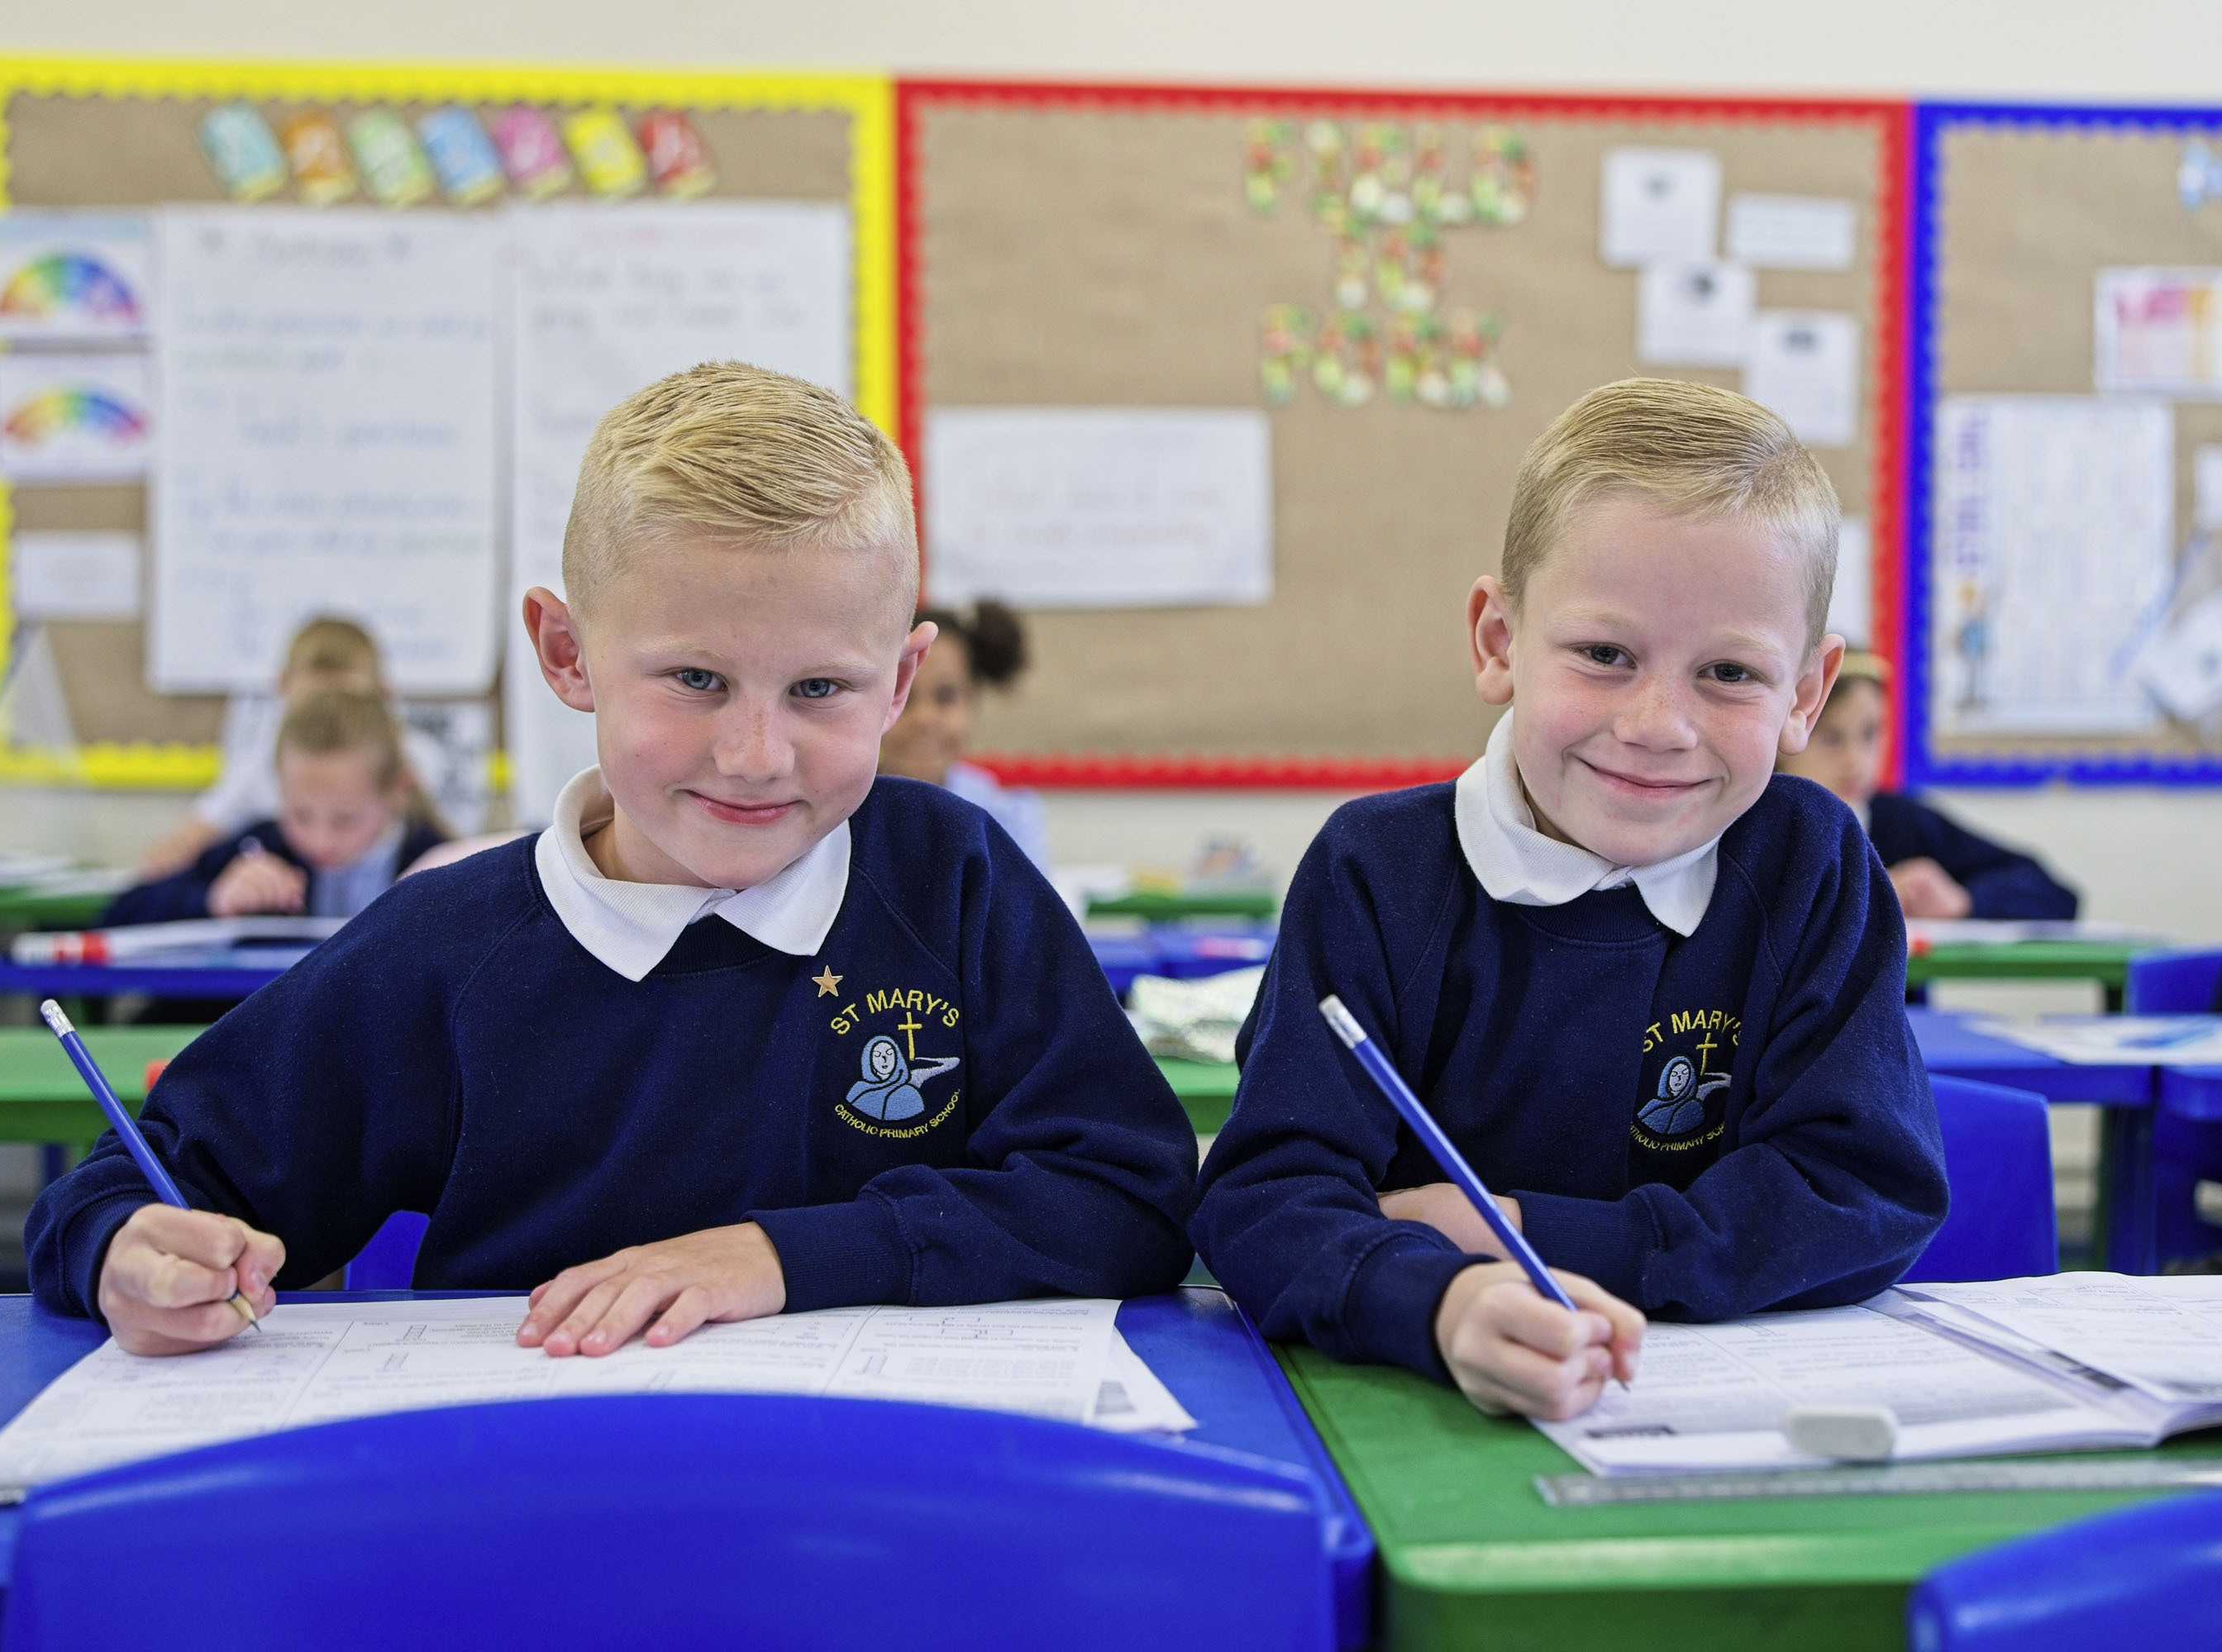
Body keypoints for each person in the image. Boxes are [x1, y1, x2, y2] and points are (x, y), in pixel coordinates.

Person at [27, 362, 1196, 1357]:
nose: (753, 753)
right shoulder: (447, 944)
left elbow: (1130, 1196)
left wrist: (780, 1255)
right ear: (567, 652)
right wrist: (126, 1251)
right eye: (694, 678)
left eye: (821, 688)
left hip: (874, 1507)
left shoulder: (956, 884)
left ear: (900, 681)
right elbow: (141, 1183)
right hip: (534, 1505)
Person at [1191, 379, 1948, 1422]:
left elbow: (1863, 1195)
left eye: (1728, 672)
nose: (1658, 723)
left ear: (1806, 696)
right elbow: (1263, 1203)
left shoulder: (1813, 867)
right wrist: (1446, 1300)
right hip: (1416, 1415)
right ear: (1498, 641)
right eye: (1605, 654)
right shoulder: (1378, 871)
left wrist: (1509, 1227)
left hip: (1736, 1428)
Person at [102, 689, 449, 925]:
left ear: (399, 791)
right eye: (299, 814)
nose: (320, 840)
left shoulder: (442, 865)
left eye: (345, 820)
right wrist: (213, 899)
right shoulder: (262, 848)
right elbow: (117, 916)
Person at [136, 617, 445, 877]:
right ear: (282, 688)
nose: (327, 717)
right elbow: (194, 837)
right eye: (301, 815)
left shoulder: (420, 760)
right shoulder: (264, 762)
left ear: (384, 693)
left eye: (349, 705)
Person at [1780, 653, 2080, 921]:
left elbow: (2056, 895)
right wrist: (1868, 899)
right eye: (1831, 737)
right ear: (1783, 737)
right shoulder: (1751, 824)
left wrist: (1962, 900)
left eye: (1870, 734)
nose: (1856, 762)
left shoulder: (1904, 822)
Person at [877, 600, 1053, 872]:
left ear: (973, 703)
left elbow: (1034, 913)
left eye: (946, 697)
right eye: (901, 695)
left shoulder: (1007, 819)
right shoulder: (838, 811)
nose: (924, 718)